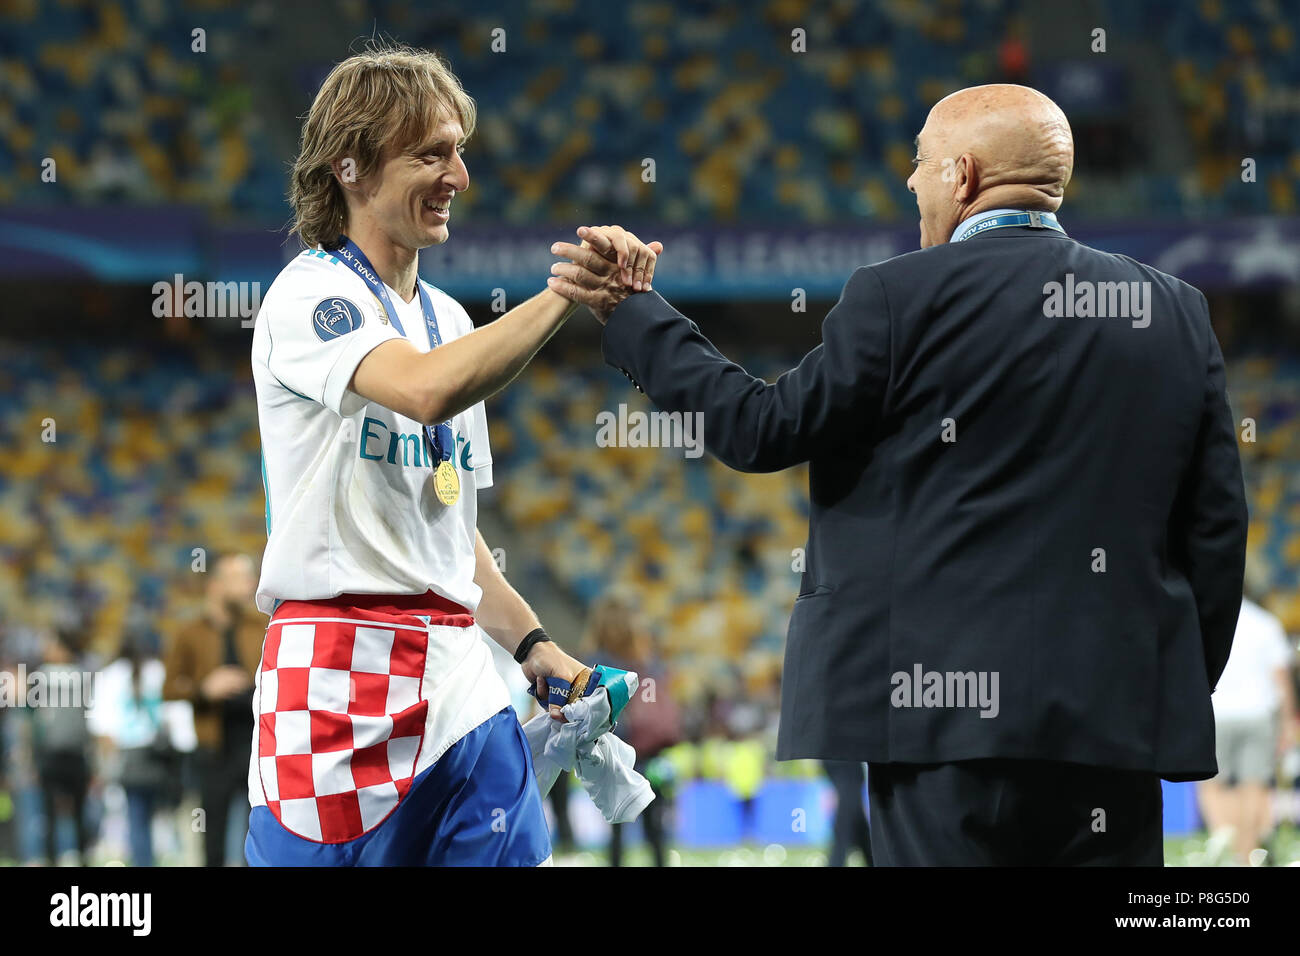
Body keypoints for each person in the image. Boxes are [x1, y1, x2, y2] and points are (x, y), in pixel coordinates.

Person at [548, 83, 1249, 865]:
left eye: (919, 162)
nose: (910, 183)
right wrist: (1165, 680)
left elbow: (758, 428)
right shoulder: (1174, 312)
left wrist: (635, 313)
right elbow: (1215, 529)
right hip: (1114, 727)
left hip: (937, 728)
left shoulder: (898, 297)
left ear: (962, 176)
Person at [246, 44, 652, 866]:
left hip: (459, 677)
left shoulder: (453, 320)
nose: (458, 176)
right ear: (350, 166)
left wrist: (537, 649)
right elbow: (426, 392)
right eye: (431, 153)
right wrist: (567, 294)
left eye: (460, 151)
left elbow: (449, 528)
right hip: (334, 681)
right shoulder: (308, 294)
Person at [163, 552, 264, 866]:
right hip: (213, 748)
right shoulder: (190, 632)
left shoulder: (262, 626)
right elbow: (168, 688)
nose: (250, 584)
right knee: (213, 836)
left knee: (257, 834)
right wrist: (204, 689)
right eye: (240, 578)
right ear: (216, 585)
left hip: (257, 747)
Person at [1198, 594, 1298, 864]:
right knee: (1253, 786)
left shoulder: (1206, 617)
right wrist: (1288, 721)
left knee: (1212, 785)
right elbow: (1281, 677)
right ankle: (1248, 852)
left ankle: (1225, 842)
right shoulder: (1266, 623)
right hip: (1257, 713)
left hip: (1216, 712)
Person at [30, 628, 92, 866]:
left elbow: (34, 719)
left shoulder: (43, 675)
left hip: (59, 753)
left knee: (56, 814)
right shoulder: (80, 676)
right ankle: (75, 857)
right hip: (67, 753)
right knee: (72, 815)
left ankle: (54, 859)